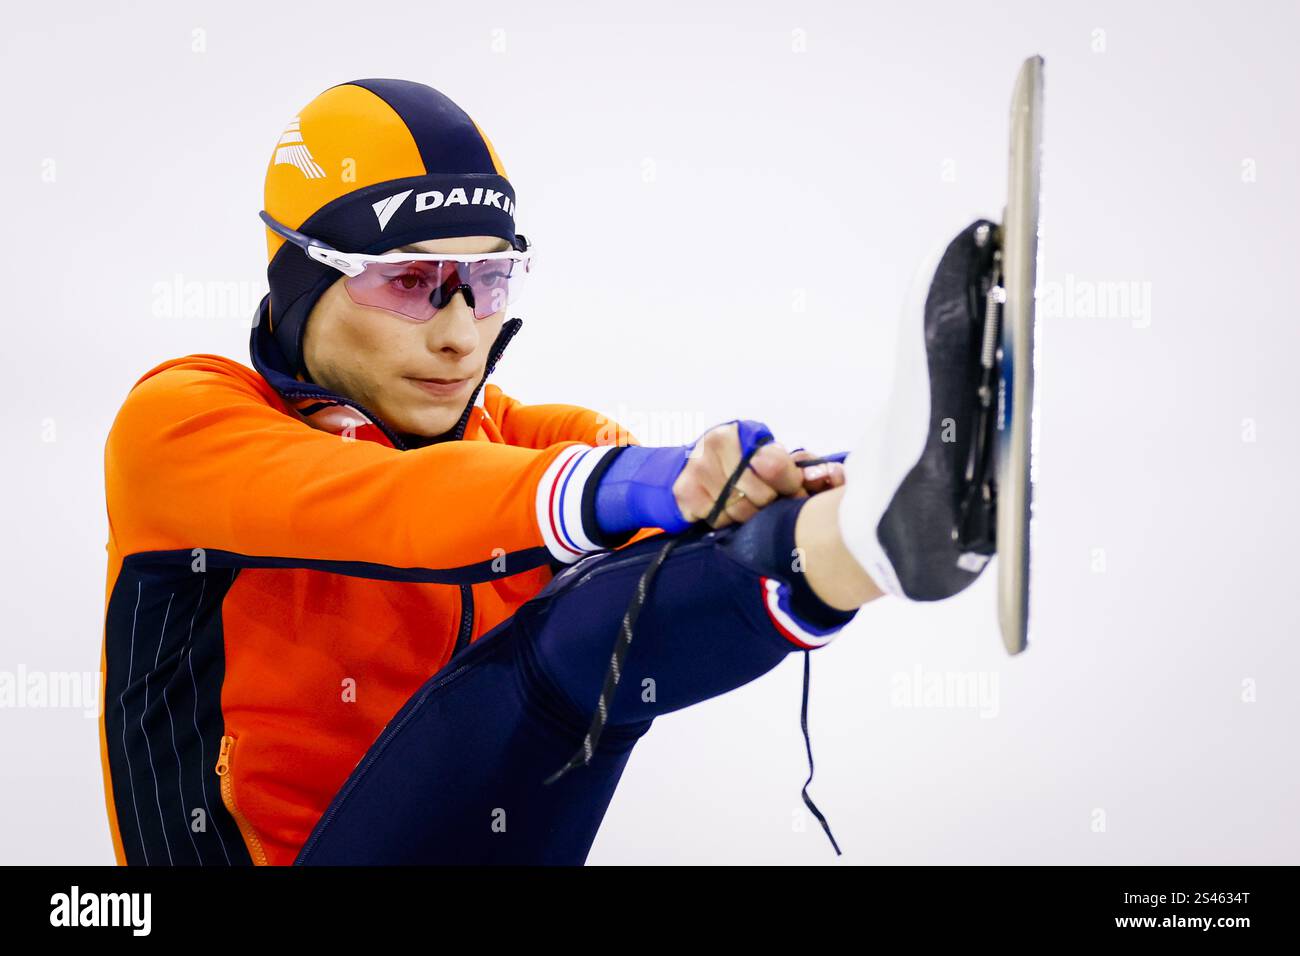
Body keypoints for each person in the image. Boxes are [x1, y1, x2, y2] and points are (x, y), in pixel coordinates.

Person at [98, 78, 992, 865]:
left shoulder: (532, 439)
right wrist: (633, 483)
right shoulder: (183, 422)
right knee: (571, 642)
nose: (457, 334)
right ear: (302, 280)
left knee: (629, 594)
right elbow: (384, 504)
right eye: (411, 282)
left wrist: (800, 490)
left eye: (488, 283)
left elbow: (665, 549)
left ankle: (879, 534)